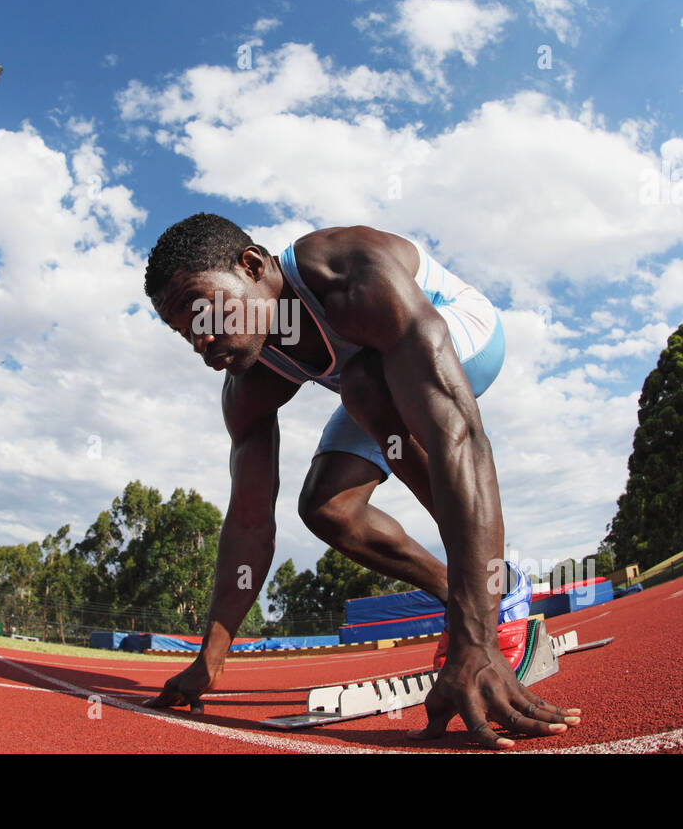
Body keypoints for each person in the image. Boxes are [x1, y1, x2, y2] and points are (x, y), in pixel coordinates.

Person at [142, 213, 580, 748]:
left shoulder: (344, 271)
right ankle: (464, 591)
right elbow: (251, 520)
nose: (199, 340)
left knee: (365, 383)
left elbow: (458, 438)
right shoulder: (250, 381)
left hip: (461, 332)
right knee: (327, 506)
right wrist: (210, 656)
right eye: (183, 330)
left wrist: (477, 637)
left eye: (202, 310)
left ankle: (486, 600)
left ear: (252, 266)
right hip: (376, 383)